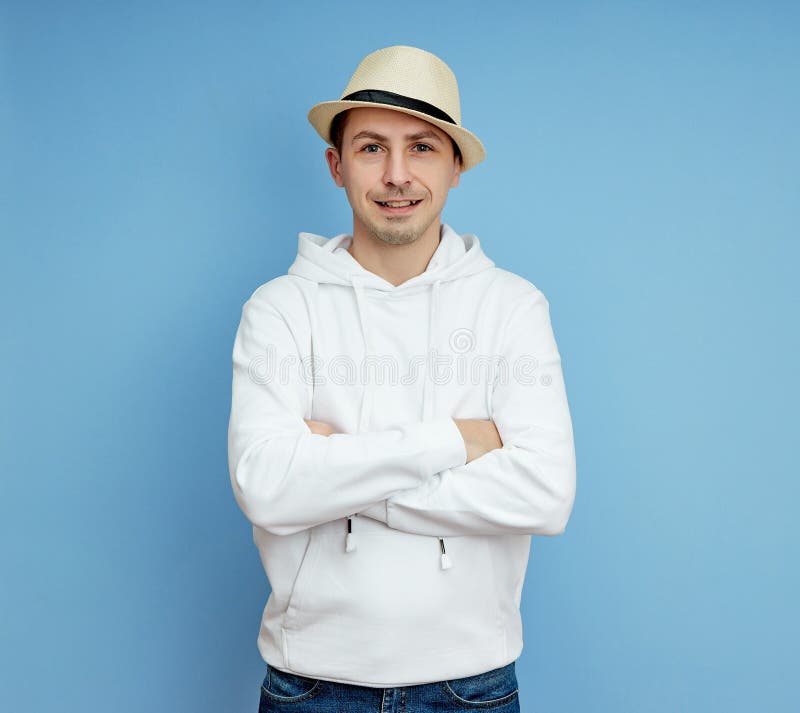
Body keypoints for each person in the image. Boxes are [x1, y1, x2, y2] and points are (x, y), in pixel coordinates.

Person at [227, 45, 577, 712]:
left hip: (471, 685)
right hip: (311, 684)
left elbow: (545, 492)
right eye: (370, 149)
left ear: (454, 168)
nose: (396, 175)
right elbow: (266, 487)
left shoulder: (512, 307)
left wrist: (333, 476)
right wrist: (455, 439)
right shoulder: (278, 308)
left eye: (420, 148)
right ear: (336, 165)